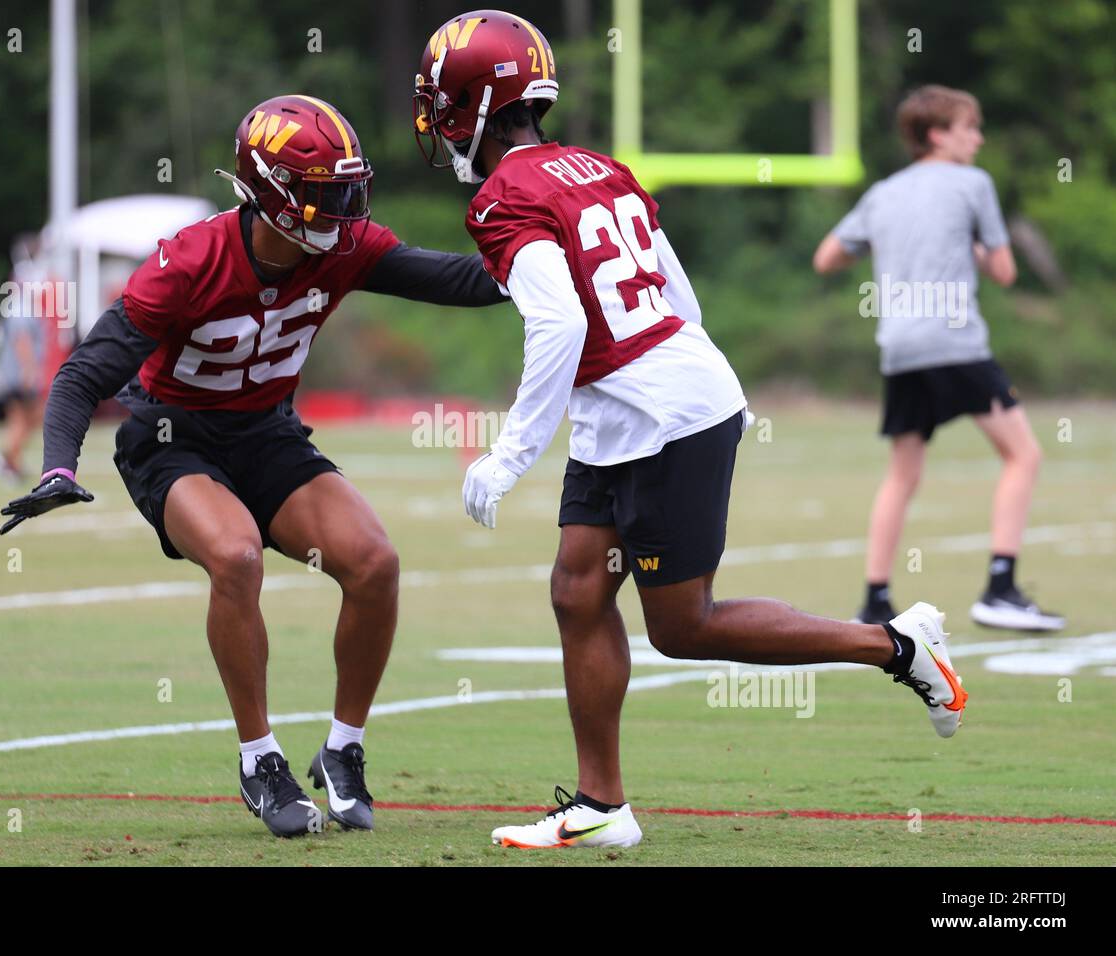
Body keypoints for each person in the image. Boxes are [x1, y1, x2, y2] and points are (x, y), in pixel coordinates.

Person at [413, 11, 967, 850]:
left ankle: (895, 645)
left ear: (466, 107)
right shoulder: (600, 167)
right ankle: (603, 805)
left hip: (664, 414)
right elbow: (681, 296)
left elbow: (558, 325)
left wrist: (509, 452)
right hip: (634, 405)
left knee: (683, 626)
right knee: (577, 590)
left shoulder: (504, 195)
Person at [0, 94, 507, 838]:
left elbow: (461, 281)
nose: (343, 209)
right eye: (324, 193)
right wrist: (55, 466)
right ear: (272, 193)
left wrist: (547, 257)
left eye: (347, 191)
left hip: (267, 436)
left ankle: (343, 750)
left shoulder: (345, 248)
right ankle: (258, 758)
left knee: (375, 563)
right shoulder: (190, 260)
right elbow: (83, 375)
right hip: (174, 438)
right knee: (236, 557)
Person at [813, 84, 1063, 632]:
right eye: (968, 127)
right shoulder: (974, 184)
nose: (978, 138)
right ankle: (1000, 587)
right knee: (1024, 455)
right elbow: (1004, 273)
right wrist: (972, 249)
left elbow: (827, 257)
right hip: (955, 344)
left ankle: (875, 600)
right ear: (936, 134)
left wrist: (894, 248)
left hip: (900, 350)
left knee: (902, 475)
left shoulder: (882, 192)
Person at [0, 235, 46, 485]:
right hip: (19, 373)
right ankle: (6, 458)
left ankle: (12, 462)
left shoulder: (17, 305)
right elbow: (22, 340)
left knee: (18, 419)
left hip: (14, 372)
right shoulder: (20, 307)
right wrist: (29, 370)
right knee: (31, 416)